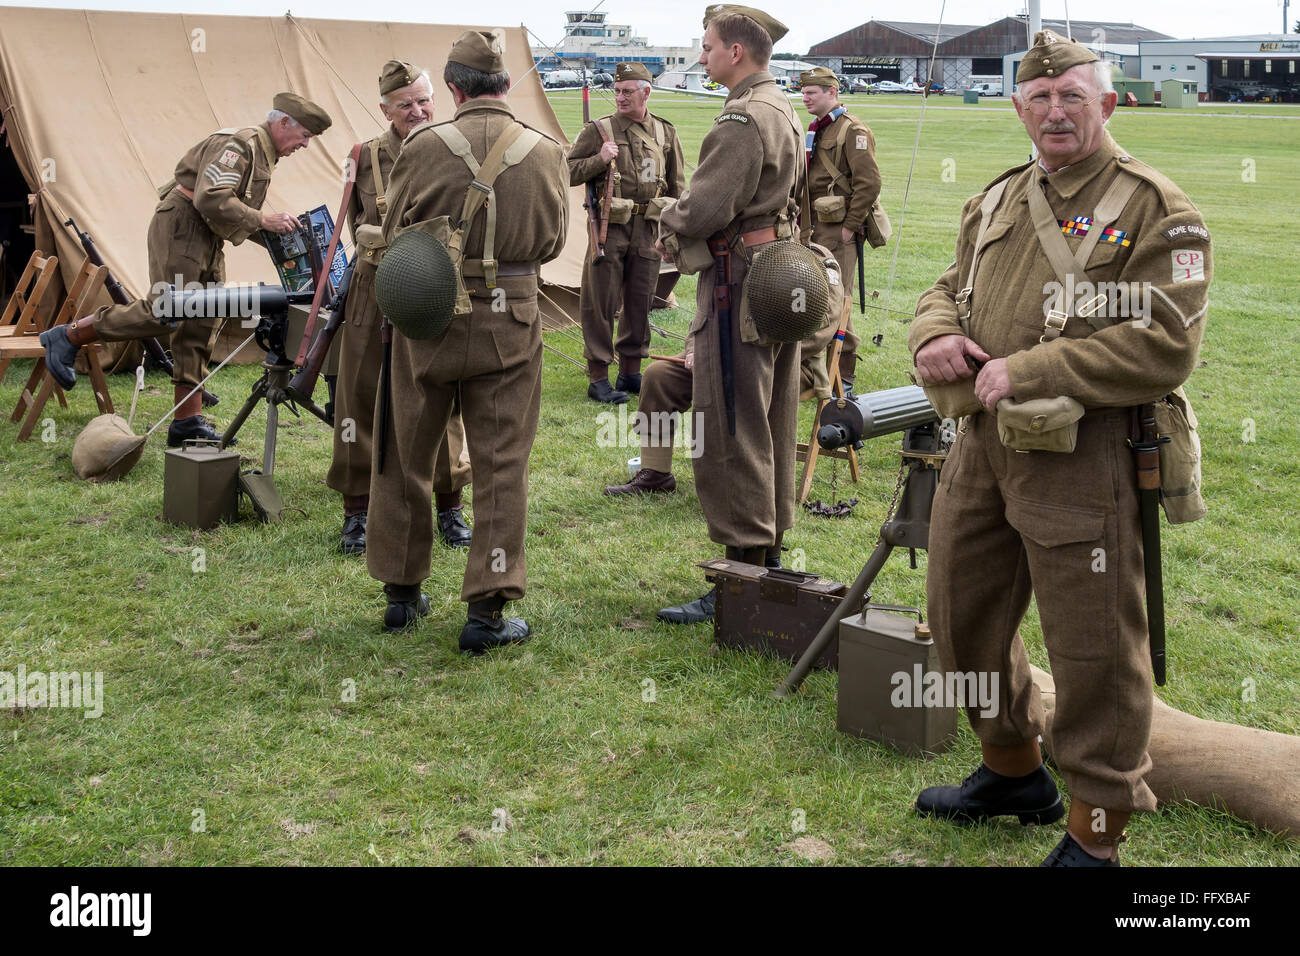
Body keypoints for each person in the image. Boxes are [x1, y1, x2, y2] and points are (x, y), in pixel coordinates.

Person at [908, 31, 1211, 866]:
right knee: (959, 616)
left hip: (1085, 456)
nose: (1054, 111)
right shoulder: (1003, 196)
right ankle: (1013, 772)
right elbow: (950, 283)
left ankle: (1097, 833)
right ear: (1018, 108)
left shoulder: (1157, 207)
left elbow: (1165, 341)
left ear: (1108, 104)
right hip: (982, 446)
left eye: (1072, 96)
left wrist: (1031, 367)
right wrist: (933, 331)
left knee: (1095, 652)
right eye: (1038, 98)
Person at [365, 30, 568, 652]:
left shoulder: (422, 146)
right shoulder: (545, 150)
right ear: (505, 86)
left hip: (429, 315)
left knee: (405, 449)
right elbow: (554, 243)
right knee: (501, 463)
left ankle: (402, 596)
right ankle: (486, 613)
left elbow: (395, 227)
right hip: (510, 318)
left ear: (453, 88)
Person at [40, 93, 332, 446]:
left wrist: (285, 241)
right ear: (284, 122)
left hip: (207, 235)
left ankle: (187, 421)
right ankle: (68, 336)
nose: (305, 145)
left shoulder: (262, 154)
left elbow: (230, 210)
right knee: (169, 308)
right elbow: (211, 197)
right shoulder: (239, 145)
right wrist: (264, 220)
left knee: (203, 317)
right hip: (184, 226)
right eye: (305, 136)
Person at [653, 4, 804, 623]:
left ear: (736, 51)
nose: (703, 56)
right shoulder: (782, 106)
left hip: (738, 285)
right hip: (776, 277)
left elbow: (706, 207)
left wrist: (667, 218)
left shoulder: (743, 116)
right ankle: (765, 556)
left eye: (709, 46)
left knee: (731, 424)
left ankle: (742, 576)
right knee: (771, 415)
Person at [327, 60, 473, 555]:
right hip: (373, 286)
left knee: (440, 392)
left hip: (434, 284)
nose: (417, 110)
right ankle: (357, 515)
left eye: (424, 99)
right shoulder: (363, 157)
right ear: (385, 108)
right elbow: (354, 225)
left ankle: (450, 507)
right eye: (405, 103)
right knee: (358, 396)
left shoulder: (457, 148)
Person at [568, 62, 686, 404]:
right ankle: (598, 376)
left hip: (649, 227)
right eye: (617, 91)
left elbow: (677, 186)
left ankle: (631, 371)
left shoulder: (665, 132)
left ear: (646, 93)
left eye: (627, 91)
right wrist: (599, 160)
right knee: (600, 302)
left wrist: (673, 232)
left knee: (640, 300)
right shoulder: (600, 130)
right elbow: (569, 171)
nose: (620, 97)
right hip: (609, 227)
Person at [799, 65, 881, 395]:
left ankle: (843, 371)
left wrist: (850, 227)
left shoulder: (852, 130)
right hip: (815, 226)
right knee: (820, 297)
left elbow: (870, 182)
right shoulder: (815, 128)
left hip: (838, 231)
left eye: (812, 93)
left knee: (839, 300)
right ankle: (822, 364)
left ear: (832, 93)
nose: (805, 97)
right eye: (803, 92)